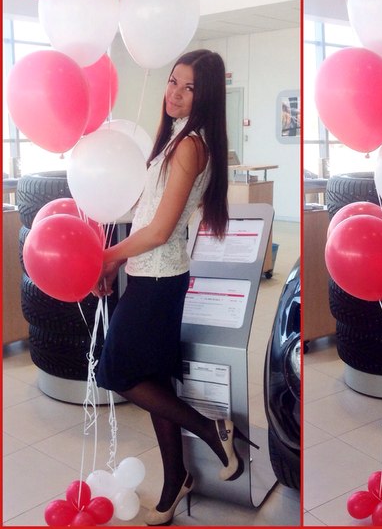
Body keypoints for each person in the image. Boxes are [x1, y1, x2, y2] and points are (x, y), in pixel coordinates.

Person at [94, 49, 256, 526]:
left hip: (159, 278)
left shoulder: (190, 146)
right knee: (155, 379)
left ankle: (212, 429)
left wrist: (105, 257)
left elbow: (161, 230)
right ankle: (176, 478)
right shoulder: (174, 139)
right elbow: (146, 216)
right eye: (172, 82)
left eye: (189, 88)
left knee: (118, 372)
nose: (175, 94)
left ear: (206, 97)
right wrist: (117, 262)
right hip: (152, 273)